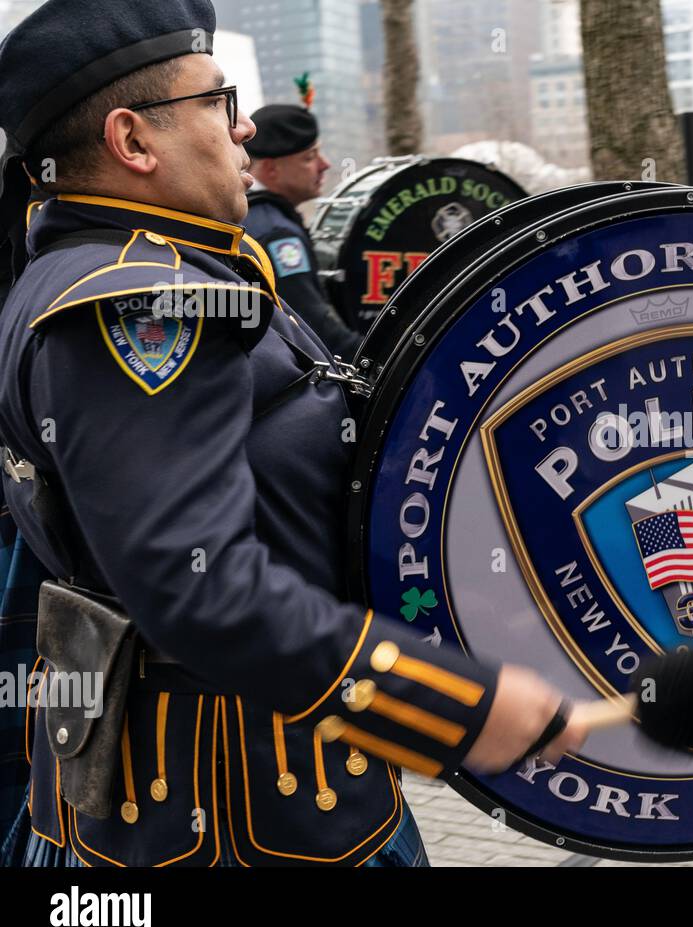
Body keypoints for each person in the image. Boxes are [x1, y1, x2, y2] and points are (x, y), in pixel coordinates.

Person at [0, 0, 586, 867]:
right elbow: (202, 589)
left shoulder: (129, 269)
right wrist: (448, 705)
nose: (243, 128)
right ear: (133, 141)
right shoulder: (139, 305)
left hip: (233, 791)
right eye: (216, 101)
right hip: (239, 816)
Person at [243, 103, 361, 358]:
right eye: (309, 157)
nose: (325, 165)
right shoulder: (277, 234)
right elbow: (315, 330)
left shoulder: (252, 216)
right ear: (271, 169)